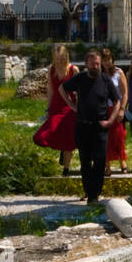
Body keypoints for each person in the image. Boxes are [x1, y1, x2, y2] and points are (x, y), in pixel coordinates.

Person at [59, 50, 121, 205]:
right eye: (93, 63)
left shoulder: (106, 80)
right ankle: (89, 191)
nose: (96, 66)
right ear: (87, 64)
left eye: (98, 63)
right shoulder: (79, 79)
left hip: (100, 127)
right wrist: (72, 106)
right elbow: (62, 89)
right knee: (85, 161)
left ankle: (95, 194)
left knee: (100, 161)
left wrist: (110, 120)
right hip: (83, 126)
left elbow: (117, 101)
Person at [32, 43, 78, 174]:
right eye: (57, 58)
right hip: (56, 106)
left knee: (68, 138)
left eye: (62, 57)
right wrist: (48, 110)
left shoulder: (73, 70)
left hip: (69, 107)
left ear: (66, 56)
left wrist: (78, 107)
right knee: (47, 133)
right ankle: (62, 152)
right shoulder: (51, 69)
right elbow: (51, 91)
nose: (60, 61)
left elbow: (79, 91)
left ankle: (66, 168)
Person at [101, 47, 128, 176]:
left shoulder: (119, 72)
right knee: (106, 138)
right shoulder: (98, 74)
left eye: (108, 59)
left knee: (119, 136)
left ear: (112, 60)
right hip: (103, 109)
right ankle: (107, 166)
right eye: (104, 60)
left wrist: (122, 109)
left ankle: (123, 162)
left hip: (116, 108)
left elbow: (125, 93)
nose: (106, 62)